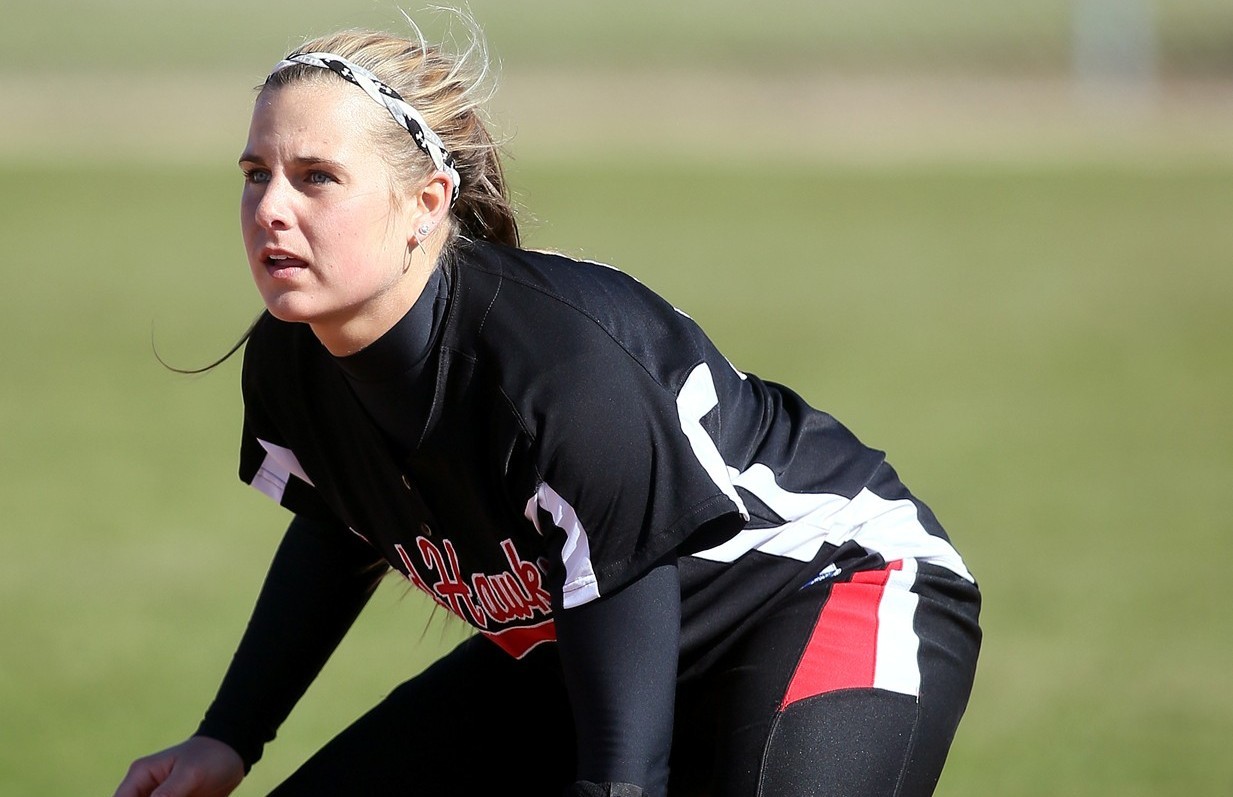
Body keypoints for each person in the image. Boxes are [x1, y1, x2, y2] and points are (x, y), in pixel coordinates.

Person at [114, 13, 981, 797]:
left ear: (425, 204)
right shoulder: (291, 361)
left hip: (822, 587)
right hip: (590, 637)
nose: (271, 208)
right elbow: (346, 519)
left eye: (316, 177)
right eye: (255, 172)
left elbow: (621, 772)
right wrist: (228, 737)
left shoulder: (558, 380)